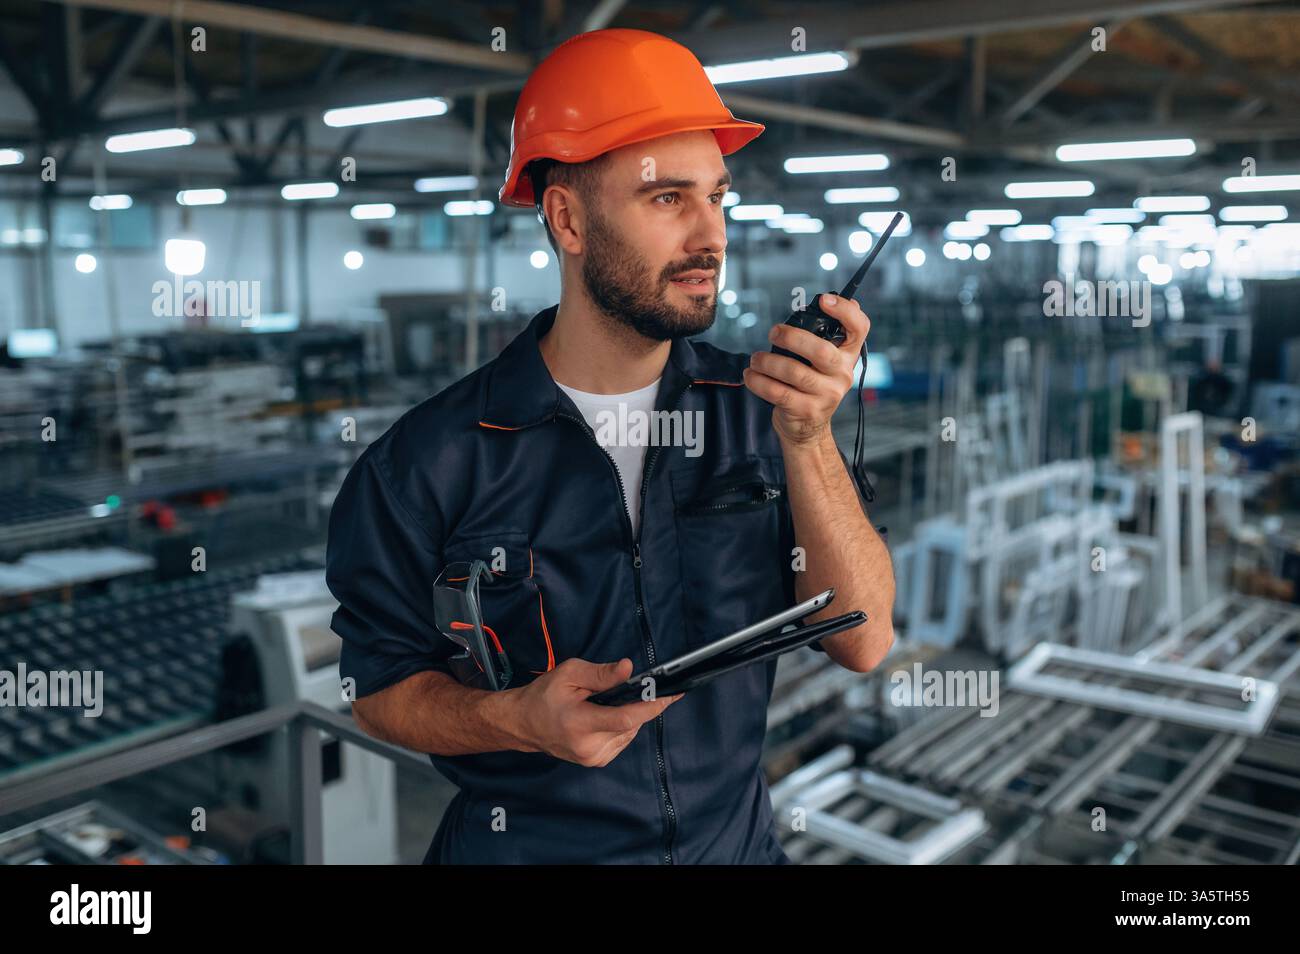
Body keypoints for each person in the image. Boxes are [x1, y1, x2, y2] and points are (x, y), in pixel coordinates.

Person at [326, 28, 895, 864]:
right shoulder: (426, 464)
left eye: (718, 196)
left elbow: (865, 640)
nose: (711, 236)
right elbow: (379, 693)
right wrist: (514, 719)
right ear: (568, 219)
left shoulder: (761, 413)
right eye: (667, 198)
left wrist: (806, 439)